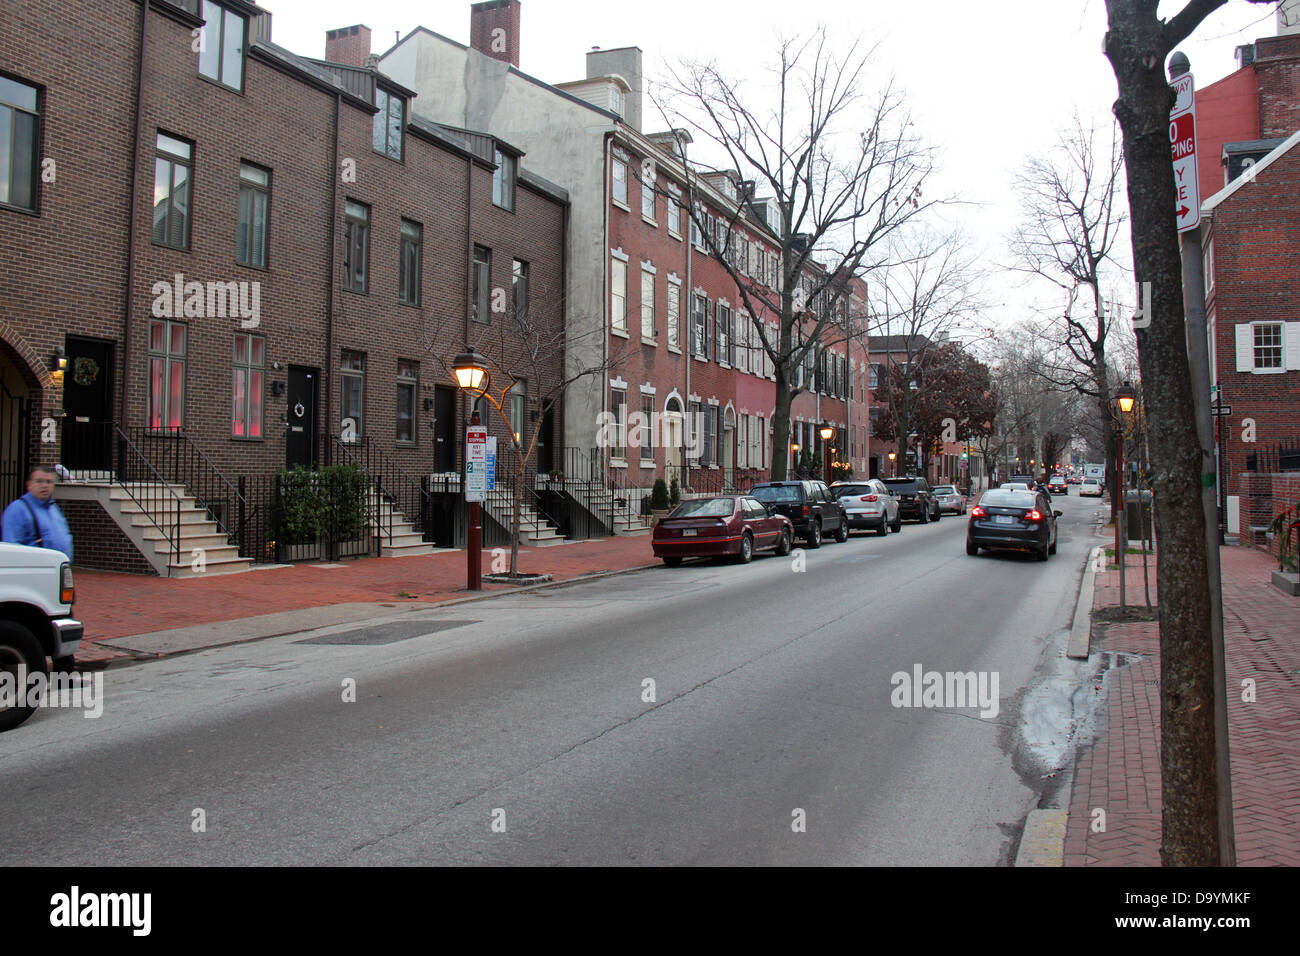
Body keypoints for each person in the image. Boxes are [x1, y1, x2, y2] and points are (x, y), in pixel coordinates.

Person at [3, 465, 75, 671]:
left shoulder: (53, 508)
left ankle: (66, 674)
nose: (44, 486)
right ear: (29, 484)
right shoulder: (18, 510)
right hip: (34, 580)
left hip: (59, 577)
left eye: (49, 482)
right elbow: (11, 547)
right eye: (39, 481)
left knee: (63, 620)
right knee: (50, 625)